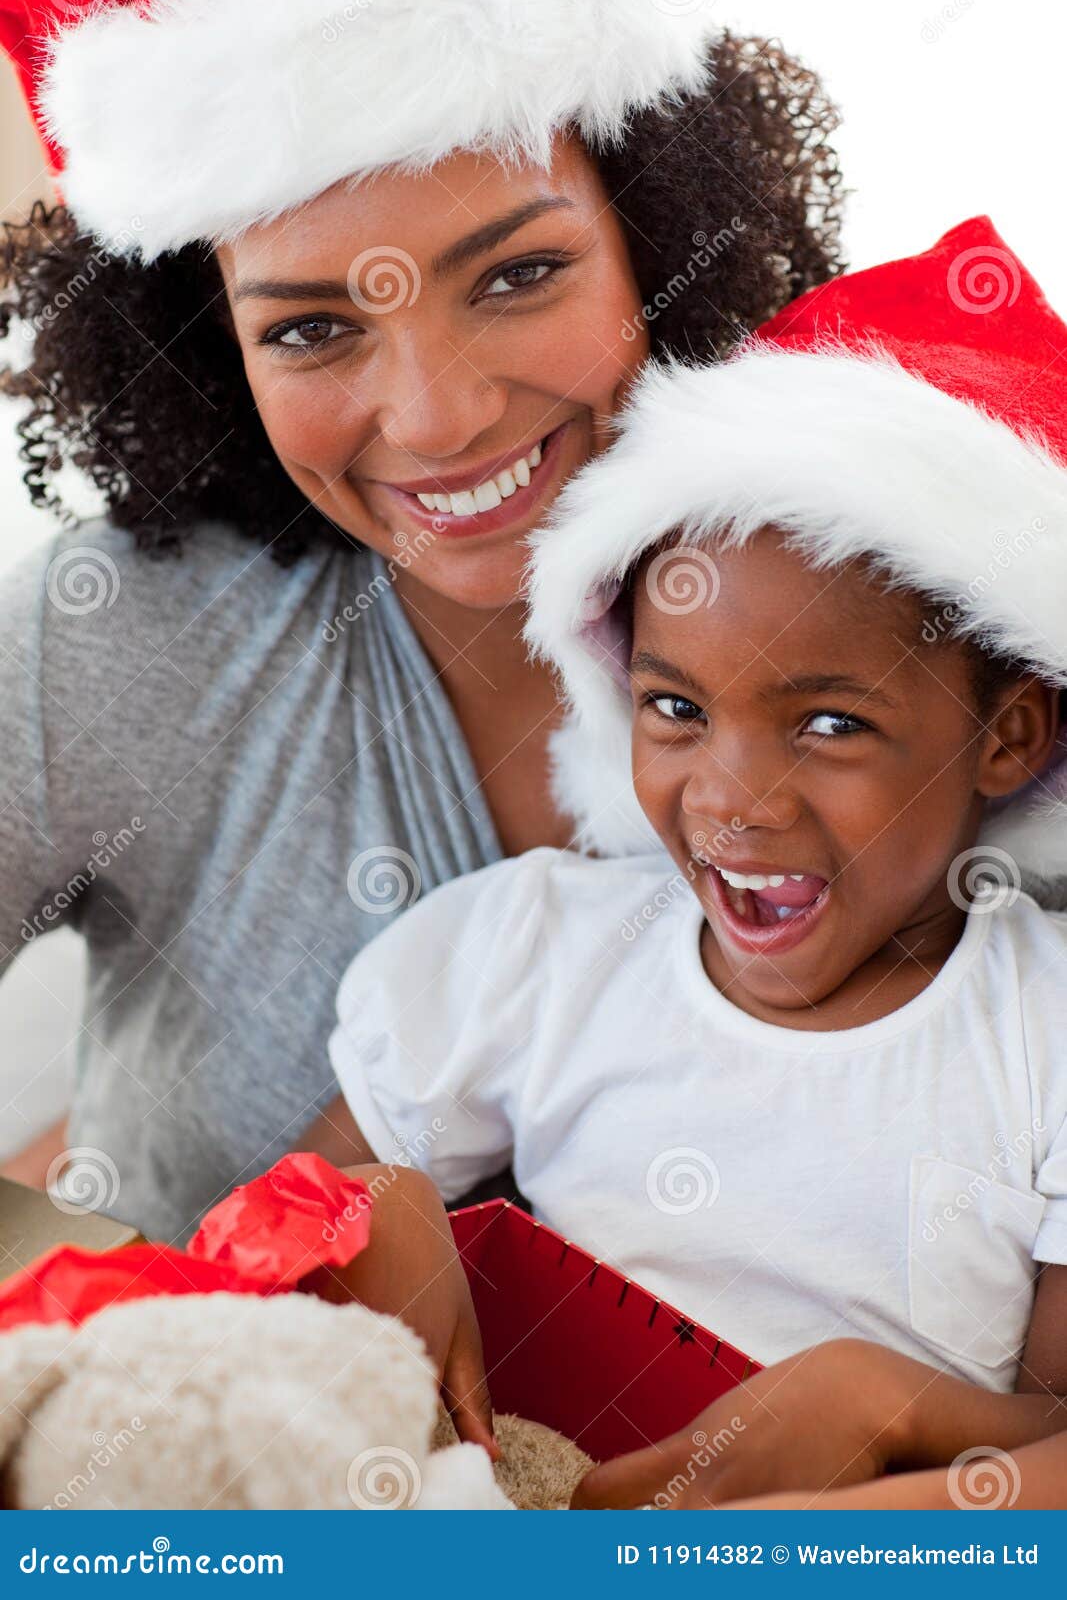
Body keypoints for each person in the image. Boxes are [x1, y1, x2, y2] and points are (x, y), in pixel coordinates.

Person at [0, 0, 843, 1239]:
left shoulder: (898, 595)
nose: (437, 417)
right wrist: (114, 1359)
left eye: (514, 274)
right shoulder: (119, 636)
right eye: (314, 328)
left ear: (652, 229)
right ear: (214, 346)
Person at [299, 218, 1067, 1499]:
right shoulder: (531, 948)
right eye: (675, 709)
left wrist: (877, 1403)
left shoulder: (1041, 1032)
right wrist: (381, 1209)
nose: (729, 797)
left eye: (831, 723)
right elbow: (300, 1205)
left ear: (1006, 735)